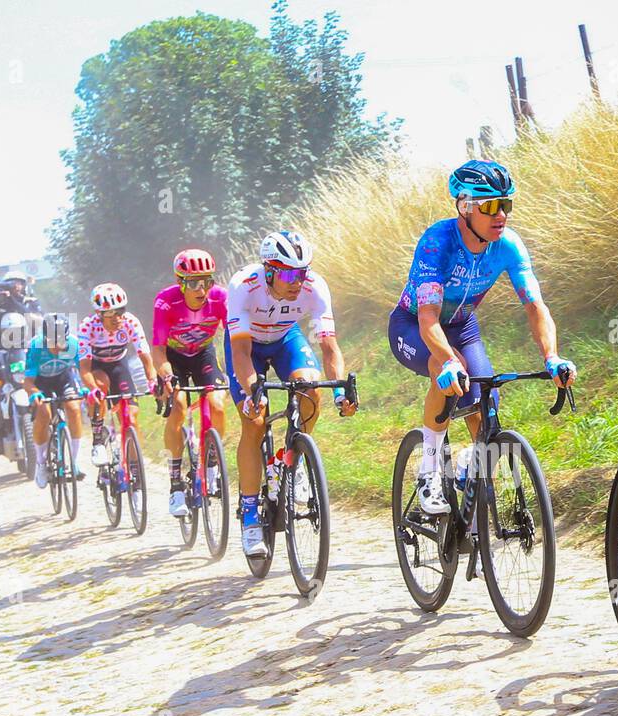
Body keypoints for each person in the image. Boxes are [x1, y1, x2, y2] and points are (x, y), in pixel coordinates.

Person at [388, 159, 575, 515]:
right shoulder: (436, 242)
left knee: (485, 401)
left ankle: (469, 473)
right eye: (490, 206)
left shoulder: (509, 246)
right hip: (413, 325)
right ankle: (429, 472)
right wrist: (445, 359)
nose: (500, 215)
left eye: (506, 205)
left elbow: (536, 306)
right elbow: (428, 317)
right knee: (447, 370)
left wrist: (552, 356)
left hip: (462, 326)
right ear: (465, 206)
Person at [225, 230, 357, 559]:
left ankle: (293, 462)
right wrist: (253, 389)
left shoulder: (315, 287)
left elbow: (329, 347)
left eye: (302, 273)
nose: (296, 282)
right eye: (287, 274)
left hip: (285, 339)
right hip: (247, 347)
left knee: (311, 388)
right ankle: (251, 513)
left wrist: (340, 388)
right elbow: (240, 353)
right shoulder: (244, 286)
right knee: (254, 421)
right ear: (268, 270)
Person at [153, 249, 230, 517]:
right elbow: (159, 350)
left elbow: (233, 337)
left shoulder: (220, 298)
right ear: (180, 282)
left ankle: (211, 462)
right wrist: (166, 377)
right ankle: (175, 484)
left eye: (207, 281)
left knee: (217, 404)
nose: (202, 289)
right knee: (179, 406)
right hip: (172, 358)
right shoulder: (166, 302)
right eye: (193, 282)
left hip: (203, 354)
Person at [78, 283, 156, 465]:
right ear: (99, 314)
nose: (117, 317)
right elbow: (84, 369)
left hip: (119, 366)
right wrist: (92, 390)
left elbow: (144, 354)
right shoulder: (88, 326)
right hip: (96, 367)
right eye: (110, 313)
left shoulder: (130, 321)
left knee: (131, 417)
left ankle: (134, 468)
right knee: (100, 385)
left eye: (120, 310)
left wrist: (152, 380)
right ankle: (98, 439)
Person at [23, 312, 89, 487]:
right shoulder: (36, 347)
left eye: (61, 342)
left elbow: (83, 370)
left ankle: (74, 462)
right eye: (52, 343)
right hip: (41, 382)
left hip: (63, 378)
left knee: (74, 409)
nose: (57, 348)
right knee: (43, 413)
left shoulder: (73, 345)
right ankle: (41, 463)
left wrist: (85, 386)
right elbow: (28, 381)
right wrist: (34, 393)